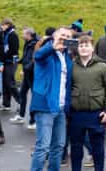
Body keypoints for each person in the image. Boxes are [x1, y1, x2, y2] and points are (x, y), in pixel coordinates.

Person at [68, 33, 106, 171]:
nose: (83, 48)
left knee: (97, 147)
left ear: (92, 48)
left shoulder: (102, 67)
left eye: (86, 45)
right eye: (80, 46)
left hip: (96, 113)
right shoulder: (72, 66)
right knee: (76, 147)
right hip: (76, 114)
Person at [28, 27, 72, 171]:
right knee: (43, 147)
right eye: (62, 35)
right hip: (45, 105)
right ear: (54, 36)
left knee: (59, 146)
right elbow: (38, 56)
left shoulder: (67, 56)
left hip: (60, 107)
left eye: (67, 36)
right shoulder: (47, 51)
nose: (64, 37)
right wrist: (53, 46)